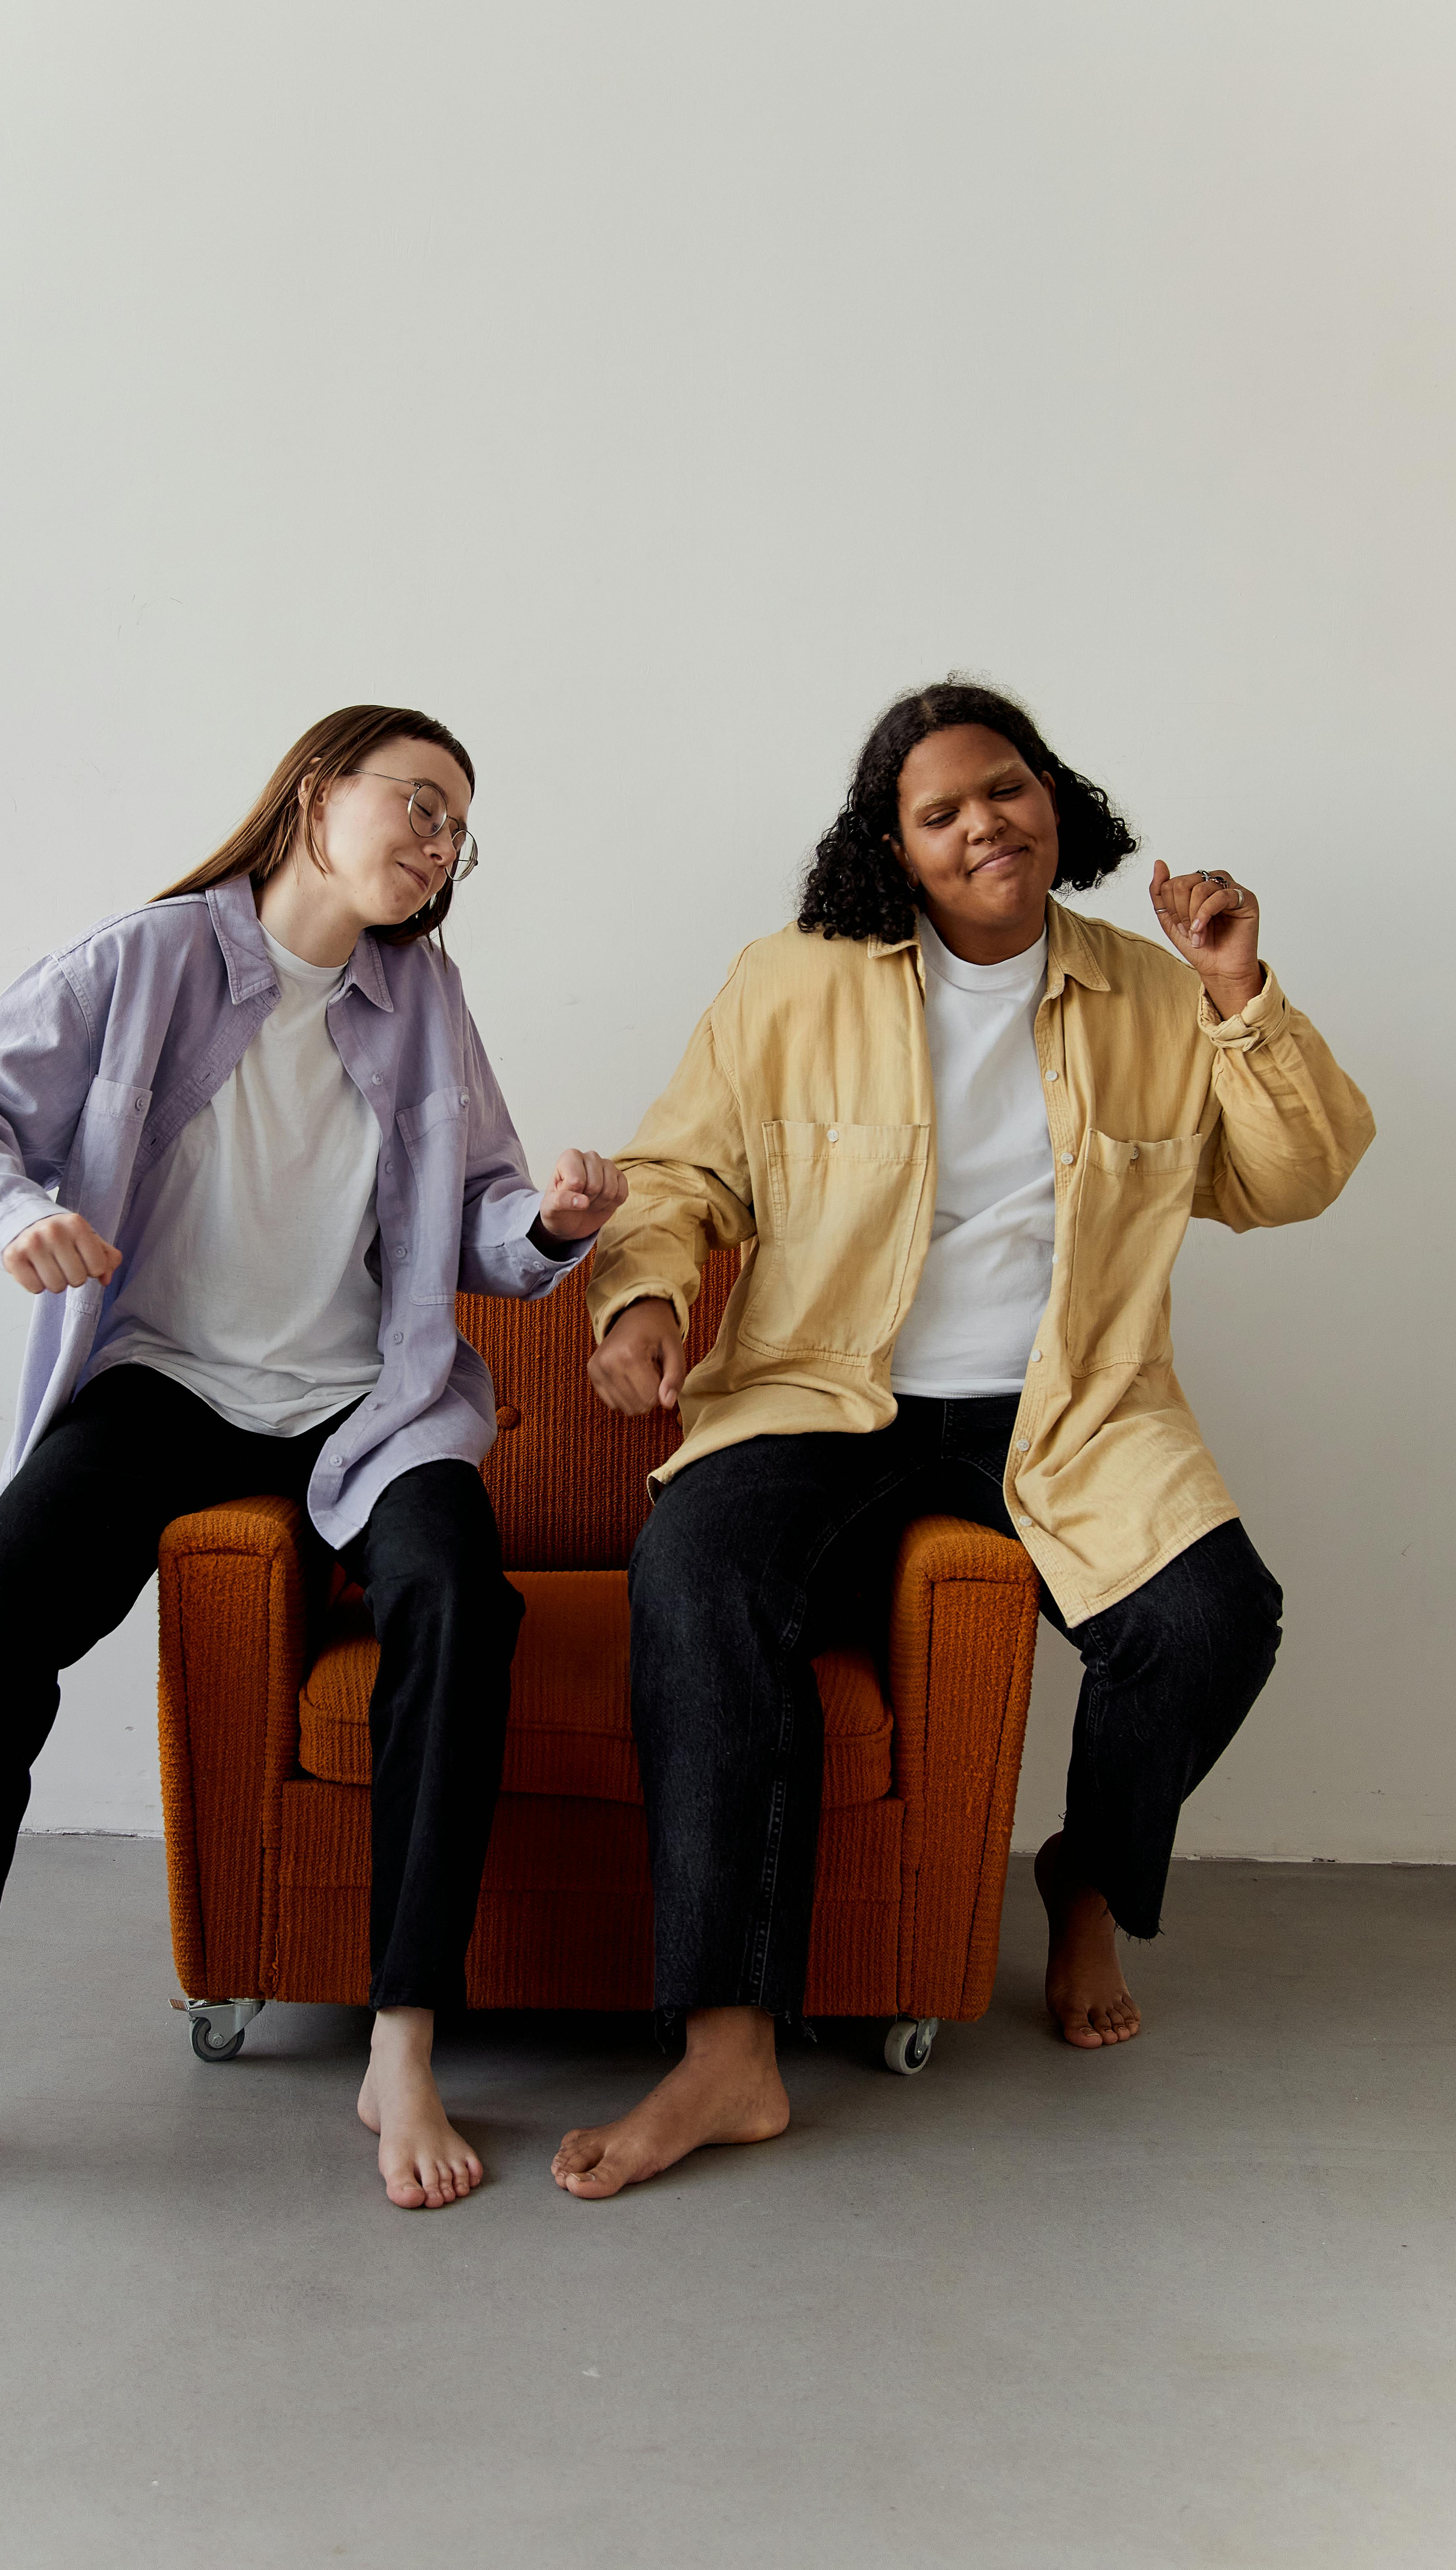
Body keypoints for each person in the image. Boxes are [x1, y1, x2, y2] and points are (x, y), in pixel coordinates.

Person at [0, 704, 625, 2209]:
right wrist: (17, 1215)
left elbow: (482, 1216)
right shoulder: (147, 960)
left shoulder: (426, 998)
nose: (439, 843)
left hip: (366, 1404)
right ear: (318, 793)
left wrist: (548, 1228)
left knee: (460, 1601)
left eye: (460, 828)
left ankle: (404, 2040)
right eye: (418, 802)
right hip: (166, 1385)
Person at [555, 679, 1374, 2199]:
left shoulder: (1149, 991)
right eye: (942, 813)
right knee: (697, 1579)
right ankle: (728, 2047)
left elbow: (1293, 1180)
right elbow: (678, 1175)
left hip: (1072, 1407)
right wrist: (642, 1300)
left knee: (1214, 1623)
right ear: (897, 847)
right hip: (823, 1395)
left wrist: (1238, 1001)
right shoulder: (792, 983)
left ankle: (1088, 1882)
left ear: (1049, 795)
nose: (984, 823)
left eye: (1005, 789)